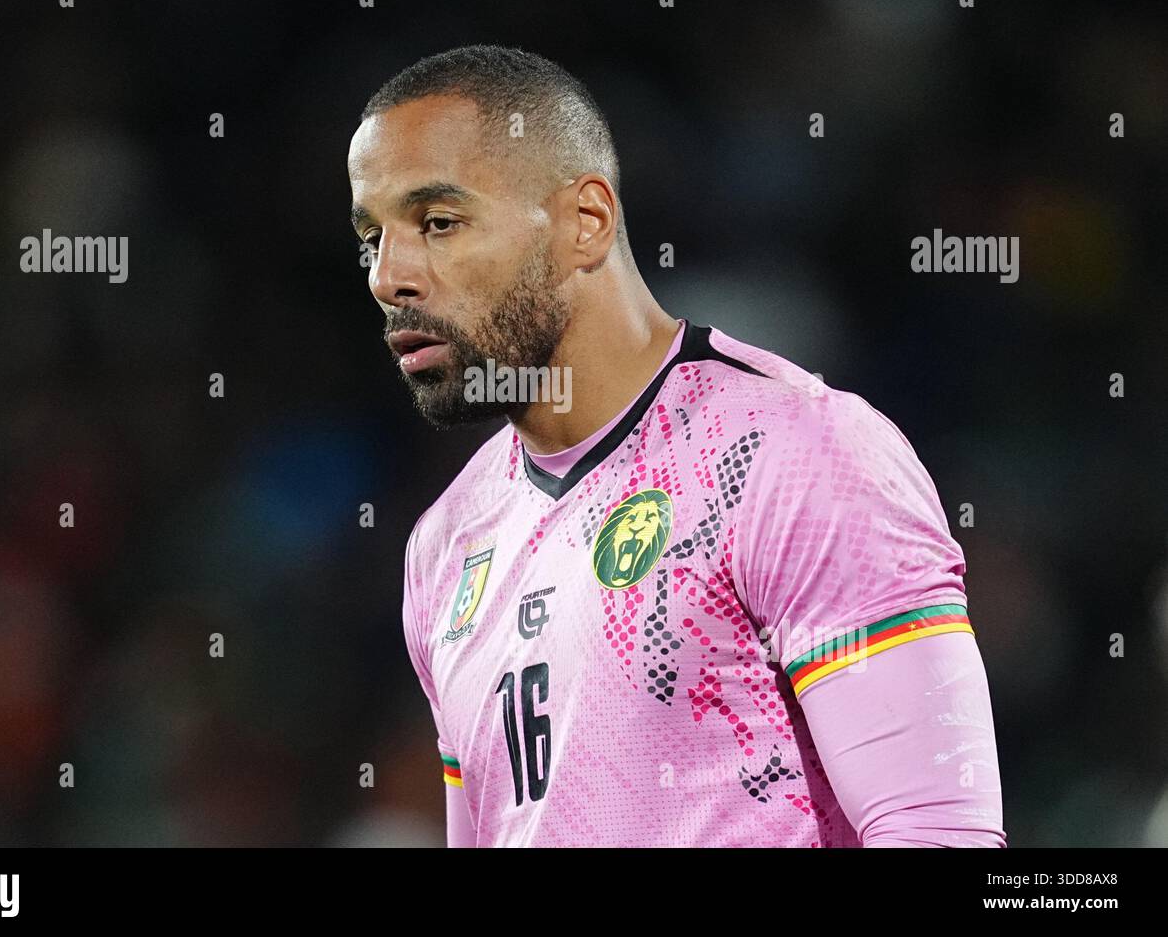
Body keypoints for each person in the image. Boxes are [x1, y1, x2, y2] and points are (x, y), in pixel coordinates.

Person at [348, 44, 1006, 847]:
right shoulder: (445, 546)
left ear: (584, 222)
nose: (388, 275)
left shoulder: (794, 453)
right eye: (370, 238)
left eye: (437, 223)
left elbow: (938, 832)